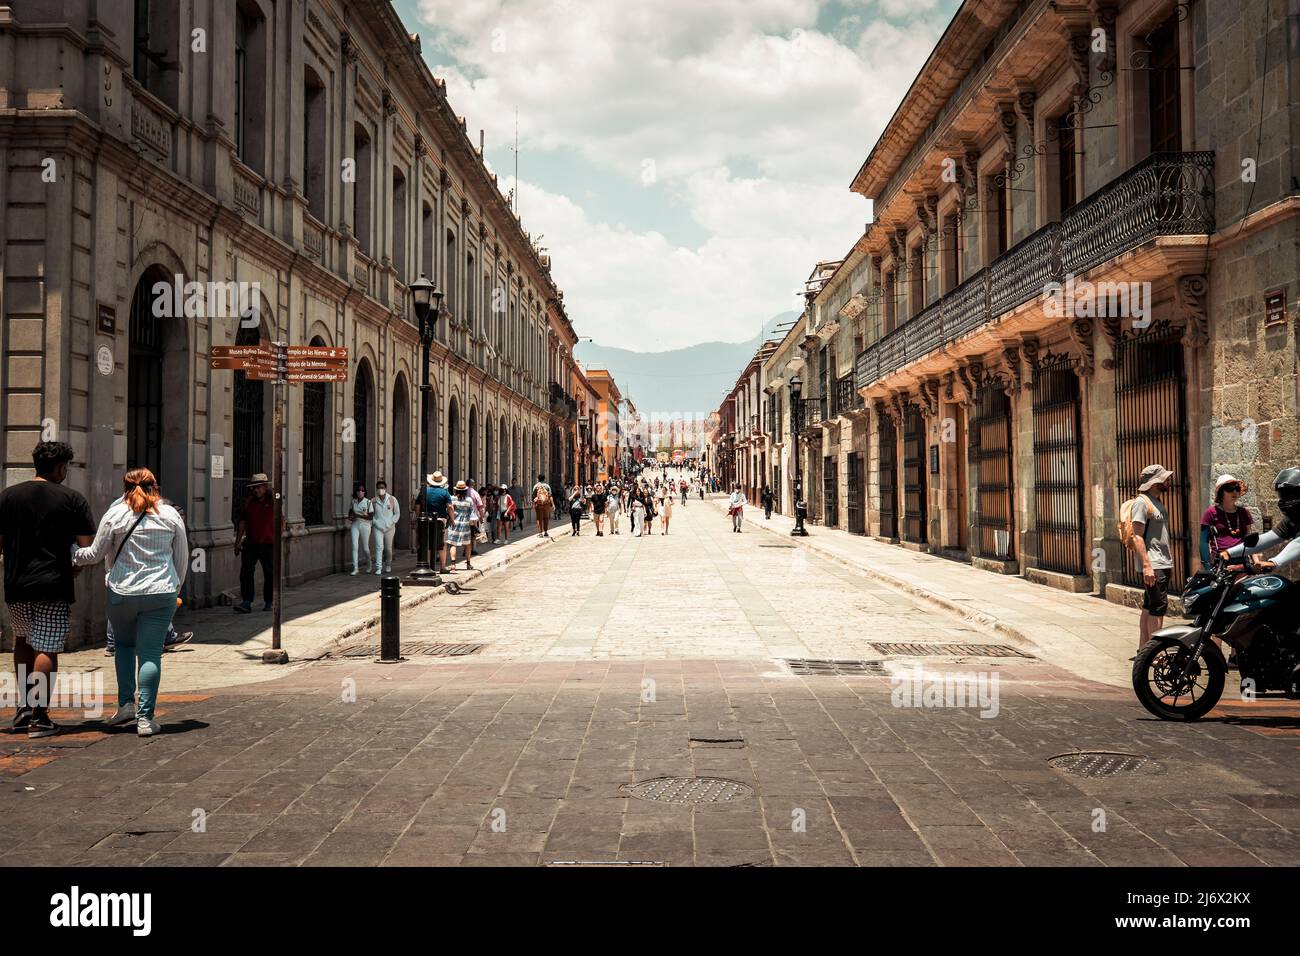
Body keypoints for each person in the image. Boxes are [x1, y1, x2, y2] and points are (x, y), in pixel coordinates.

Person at [72, 468, 187, 738]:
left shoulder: (114, 514)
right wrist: (175, 590)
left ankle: (125, 706)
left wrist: (72, 554)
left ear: (124, 487)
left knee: (123, 646)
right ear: (155, 486)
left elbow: (94, 554)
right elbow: (181, 559)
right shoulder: (170, 515)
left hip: (121, 593)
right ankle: (145, 719)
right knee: (150, 654)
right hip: (161, 592)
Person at [0, 441, 96, 738]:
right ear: (60, 467)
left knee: (22, 641)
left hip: (16, 583)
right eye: (66, 467)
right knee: (48, 647)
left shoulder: (8, 497)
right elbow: (85, 548)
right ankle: (39, 716)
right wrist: (75, 566)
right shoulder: (72, 499)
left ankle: (24, 709)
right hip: (53, 584)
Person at [1129, 464, 1174, 653]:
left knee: (1149, 606)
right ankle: (1156, 652)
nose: (1168, 481)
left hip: (1162, 561)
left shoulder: (1157, 502)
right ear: (1155, 482)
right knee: (1158, 608)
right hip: (1154, 563)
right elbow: (1136, 535)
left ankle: (1144, 649)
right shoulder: (1142, 502)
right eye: (1165, 478)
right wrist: (1147, 565)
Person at [1223, 467, 1300, 570]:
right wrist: (1228, 552)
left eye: (1288, 494)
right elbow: (1269, 537)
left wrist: (1275, 562)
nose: (1283, 499)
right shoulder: (1292, 520)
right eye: (1282, 495)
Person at [233, 473, 275, 612]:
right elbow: (243, 522)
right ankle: (246, 601)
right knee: (246, 571)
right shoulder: (249, 502)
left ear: (265, 487)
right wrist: (238, 542)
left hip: (268, 543)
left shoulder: (273, 500)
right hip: (251, 542)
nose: (256, 490)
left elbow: (281, 520)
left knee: (269, 573)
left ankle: (269, 601)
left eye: (259, 487)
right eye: (254, 488)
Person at [1200, 475, 1252, 567]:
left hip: (1242, 562)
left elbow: (1249, 537)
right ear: (1221, 492)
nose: (1235, 492)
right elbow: (1203, 542)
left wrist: (1255, 560)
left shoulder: (1244, 512)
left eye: (1237, 488)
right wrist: (1207, 567)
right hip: (1221, 562)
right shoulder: (1211, 513)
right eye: (1230, 489)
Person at [423, 472, 453, 572]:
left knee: (427, 543)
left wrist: (419, 517)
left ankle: (426, 566)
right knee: (442, 544)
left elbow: (418, 505)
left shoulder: (424, 491)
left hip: (426, 520)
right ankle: (442, 567)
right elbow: (450, 507)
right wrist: (452, 519)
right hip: (440, 520)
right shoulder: (445, 492)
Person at [371, 479, 400, 575]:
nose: (380, 489)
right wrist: (376, 523)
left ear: (386, 489)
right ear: (376, 489)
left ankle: (388, 564)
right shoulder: (373, 501)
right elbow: (370, 515)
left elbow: (397, 514)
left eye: (382, 488)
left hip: (390, 528)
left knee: (388, 548)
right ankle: (378, 567)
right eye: (379, 488)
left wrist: (390, 522)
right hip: (377, 528)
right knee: (379, 547)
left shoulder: (392, 499)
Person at [446, 480, 475, 571]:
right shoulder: (469, 500)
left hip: (454, 523)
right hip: (465, 524)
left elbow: (449, 509)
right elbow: (472, 512)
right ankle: (468, 564)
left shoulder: (452, 499)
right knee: (467, 544)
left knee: (453, 543)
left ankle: (453, 564)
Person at [347, 482, 374, 575]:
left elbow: (370, 517)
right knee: (355, 546)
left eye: (362, 490)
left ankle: (369, 564)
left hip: (365, 525)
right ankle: (355, 568)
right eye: (358, 490)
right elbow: (350, 513)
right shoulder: (353, 501)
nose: (360, 492)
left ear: (365, 492)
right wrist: (351, 517)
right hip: (355, 524)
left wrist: (358, 515)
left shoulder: (368, 502)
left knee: (365, 548)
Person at [532, 474, 553, 538]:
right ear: (544, 479)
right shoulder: (547, 486)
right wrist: (552, 504)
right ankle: (546, 532)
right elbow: (550, 495)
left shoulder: (536, 486)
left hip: (539, 504)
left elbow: (533, 496)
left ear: (538, 479)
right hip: (546, 504)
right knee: (546, 518)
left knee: (539, 518)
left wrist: (533, 504)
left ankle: (540, 532)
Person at [466, 479, 485, 545]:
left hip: (464, 516)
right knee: (473, 534)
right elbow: (480, 507)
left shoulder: (463, 492)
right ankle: (472, 549)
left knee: (465, 534)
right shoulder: (475, 493)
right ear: (473, 484)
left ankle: (465, 549)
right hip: (473, 517)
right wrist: (481, 517)